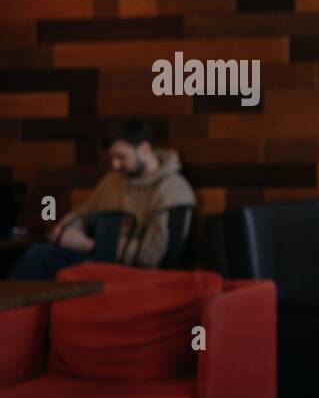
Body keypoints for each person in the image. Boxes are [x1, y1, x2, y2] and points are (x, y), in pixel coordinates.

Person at [8, 118, 196, 279]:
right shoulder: (113, 181)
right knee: (38, 253)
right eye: (112, 158)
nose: (115, 165)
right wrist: (65, 231)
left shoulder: (173, 190)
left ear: (145, 149)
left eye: (121, 157)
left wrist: (89, 245)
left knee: (39, 257)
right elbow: (83, 213)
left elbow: (153, 254)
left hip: (135, 273)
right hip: (99, 261)